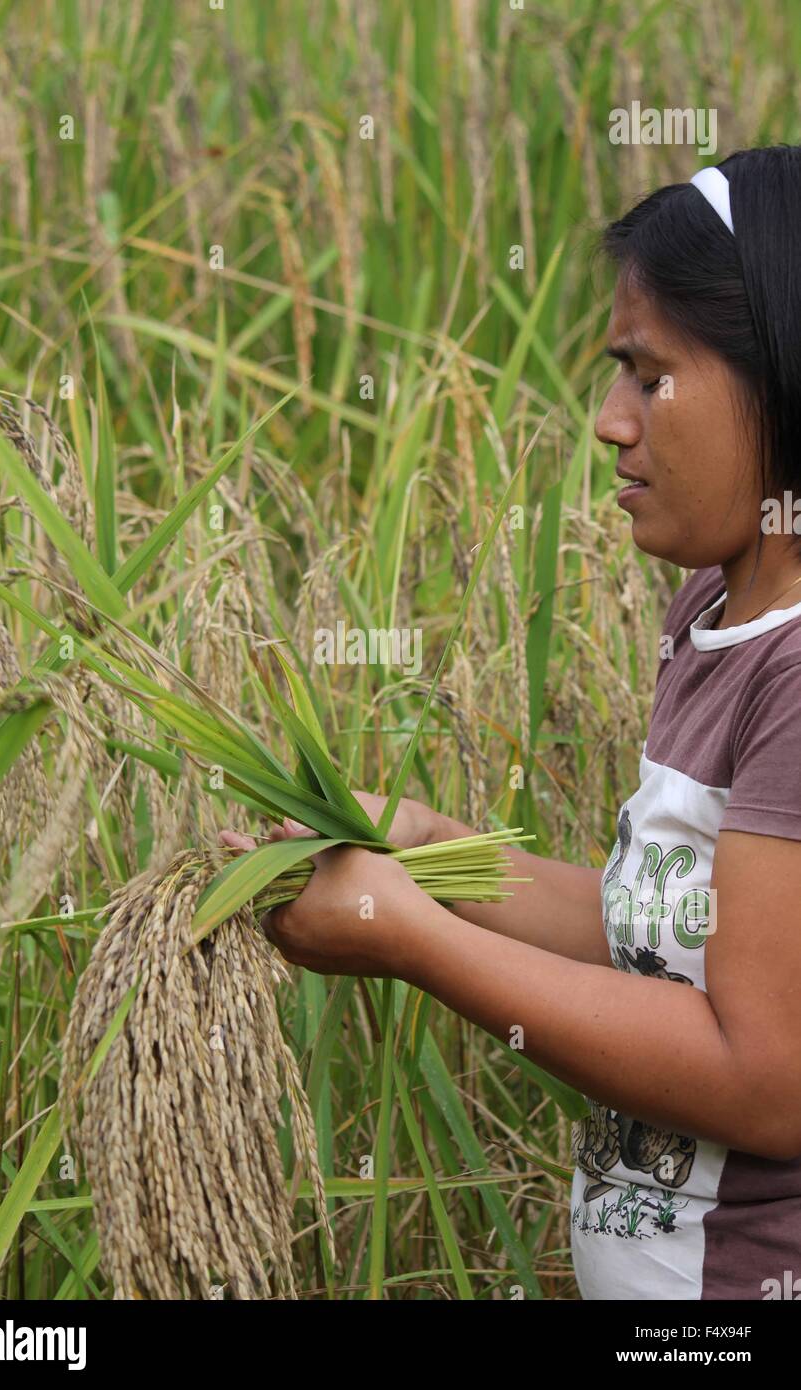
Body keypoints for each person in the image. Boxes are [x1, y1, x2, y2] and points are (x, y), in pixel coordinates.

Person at [221, 144, 801, 1301]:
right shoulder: (713, 608)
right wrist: (433, 855)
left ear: (776, 377)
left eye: (647, 375)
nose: (607, 421)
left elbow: (763, 1074)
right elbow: (669, 930)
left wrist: (409, 939)